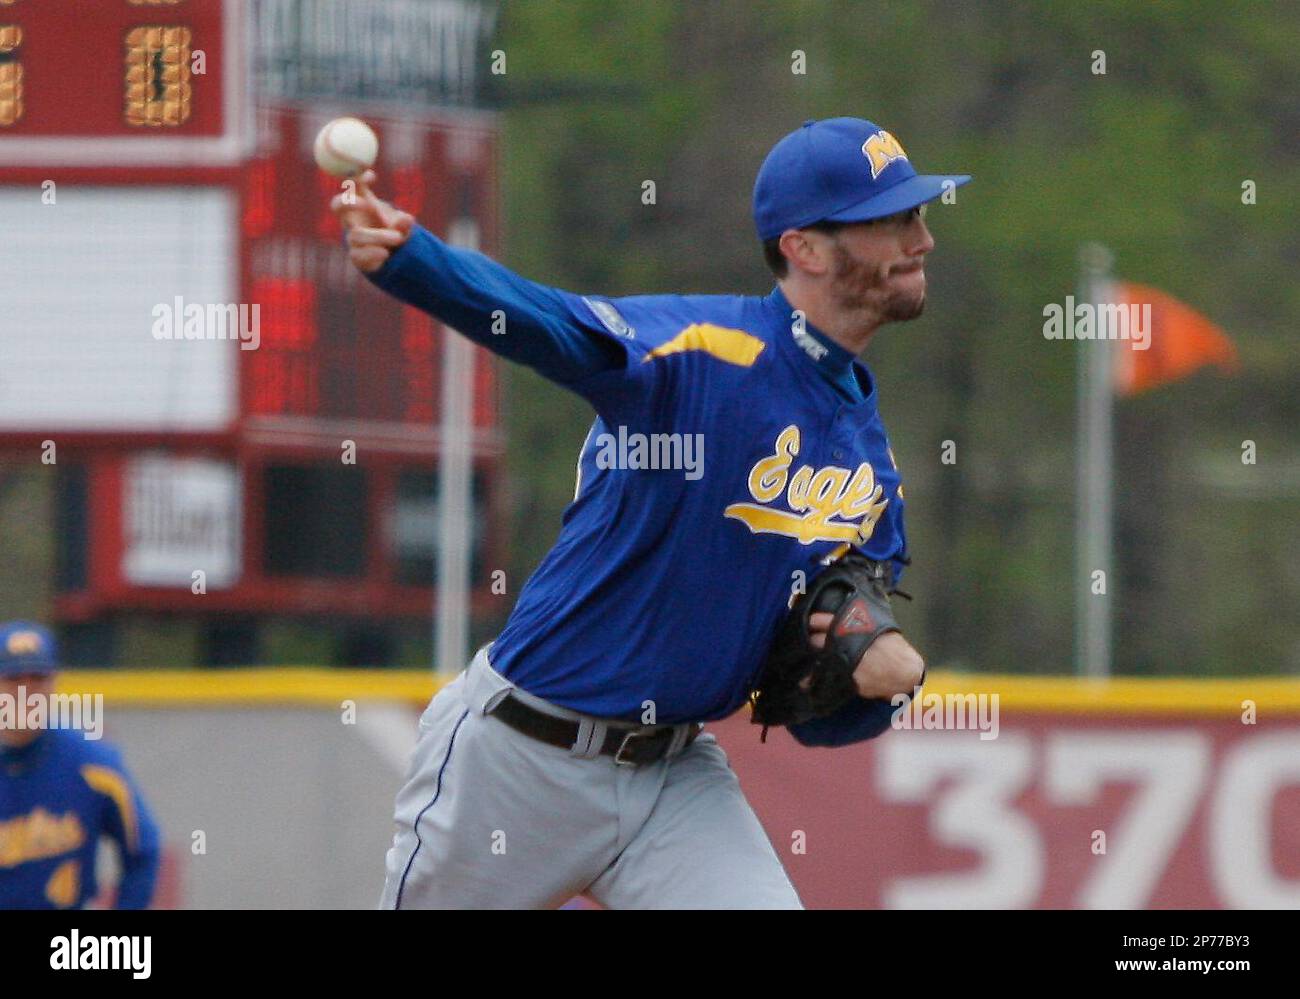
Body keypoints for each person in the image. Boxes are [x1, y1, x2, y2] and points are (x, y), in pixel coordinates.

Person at [332, 116, 970, 908]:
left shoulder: (869, 461)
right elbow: (555, 326)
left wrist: (877, 673)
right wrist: (417, 264)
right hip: (518, 757)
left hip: (674, 775)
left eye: (918, 214)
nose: (922, 239)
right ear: (805, 247)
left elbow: (816, 706)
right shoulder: (708, 351)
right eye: (895, 219)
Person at [0, 621, 160, 909]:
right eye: (13, 680)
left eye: (37, 679)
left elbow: (143, 851)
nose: (26, 693)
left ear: (54, 683)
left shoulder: (92, 763)